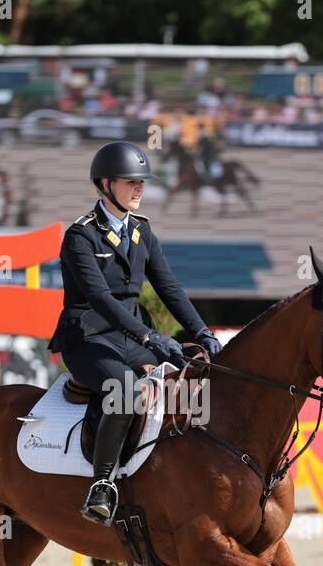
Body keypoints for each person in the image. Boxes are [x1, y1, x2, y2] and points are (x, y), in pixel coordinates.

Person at [48, 141, 221, 524]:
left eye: (142, 182)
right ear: (107, 184)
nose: (140, 189)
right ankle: (103, 483)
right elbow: (100, 297)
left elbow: (170, 289)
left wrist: (202, 332)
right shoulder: (81, 236)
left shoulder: (142, 232)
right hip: (88, 338)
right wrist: (149, 337)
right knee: (125, 390)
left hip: (129, 339)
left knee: (186, 385)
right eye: (132, 182)